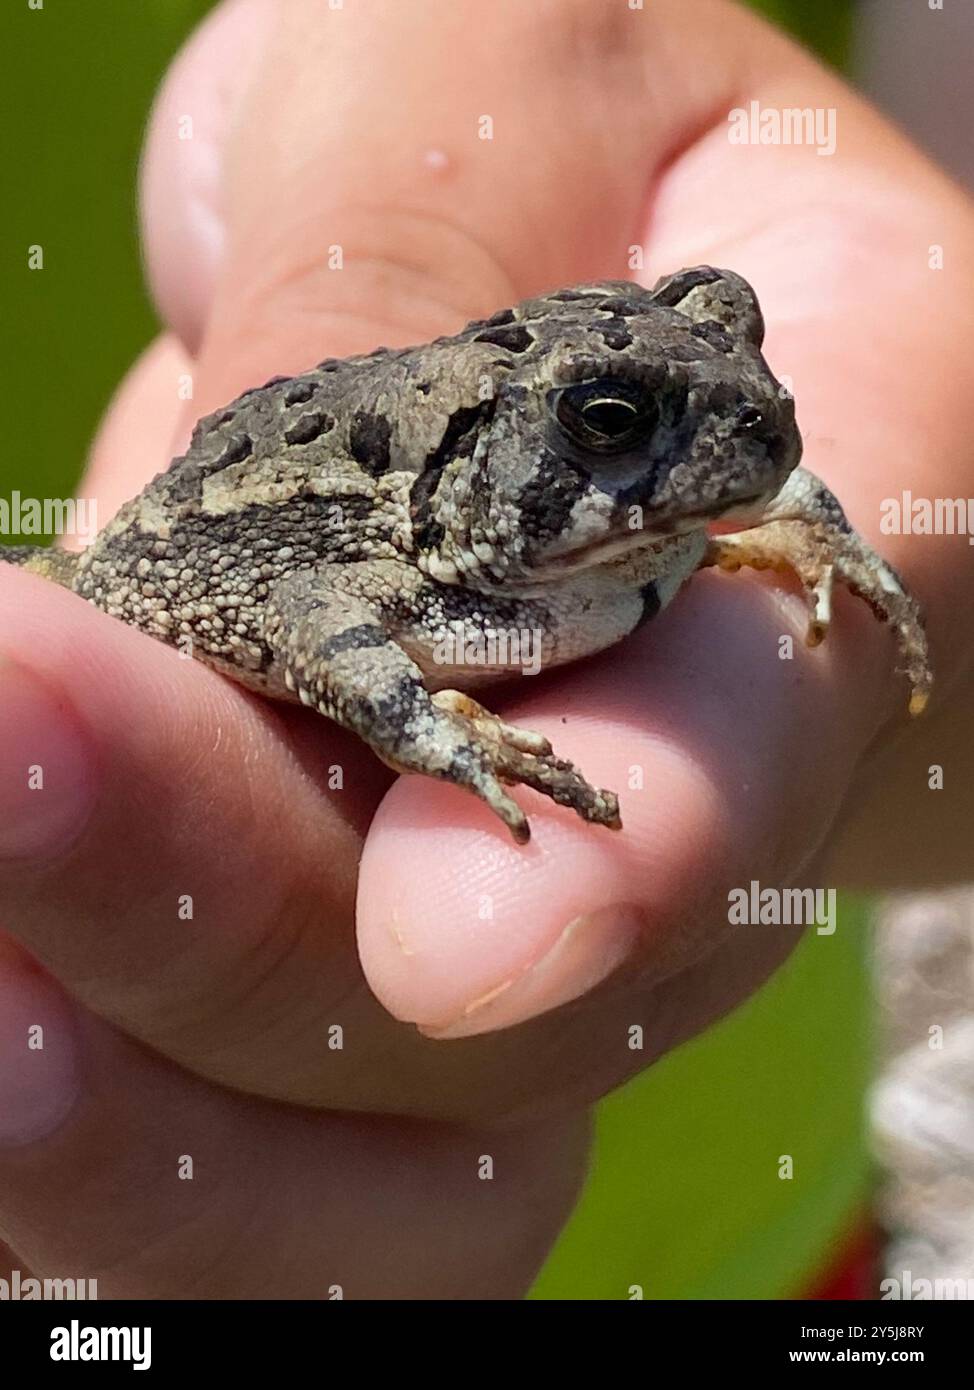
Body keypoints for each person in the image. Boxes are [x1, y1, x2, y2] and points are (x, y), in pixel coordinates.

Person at [1, 0, 972, 1299]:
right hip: (186, 569)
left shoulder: (641, 519)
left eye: (732, 337)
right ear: (506, 458)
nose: (748, 413)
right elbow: (310, 608)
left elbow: (780, 507)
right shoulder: (419, 560)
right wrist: (432, 729)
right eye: (618, 422)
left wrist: (843, 555)